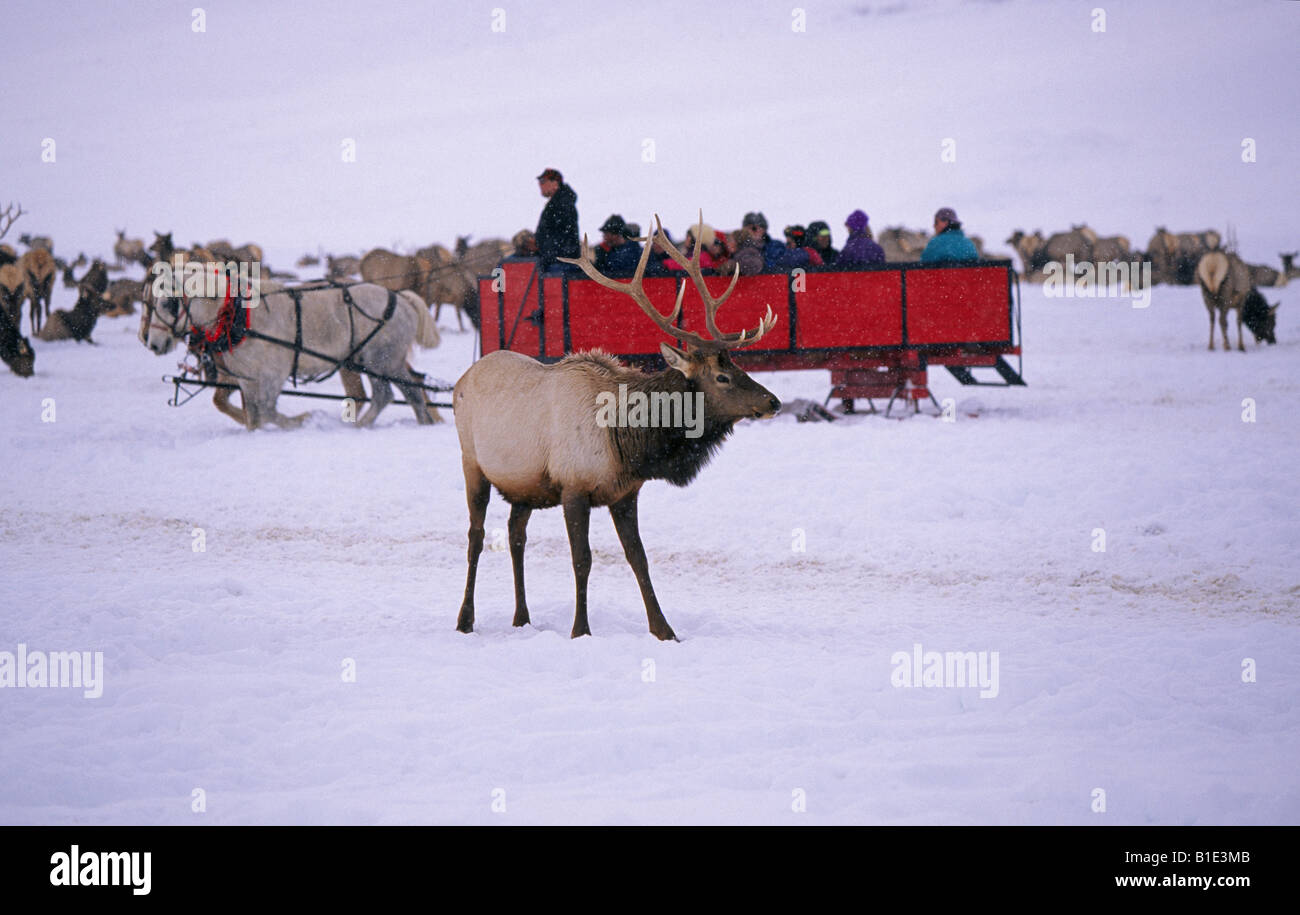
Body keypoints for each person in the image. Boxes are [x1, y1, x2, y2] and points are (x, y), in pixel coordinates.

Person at [534, 167, 580, 271]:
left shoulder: (562, 204)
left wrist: (543, 251)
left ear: (555, 183)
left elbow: (562, 237)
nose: (540, 185)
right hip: (556, 260)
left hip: (560, 263)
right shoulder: (557, 203)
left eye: (543, 181)